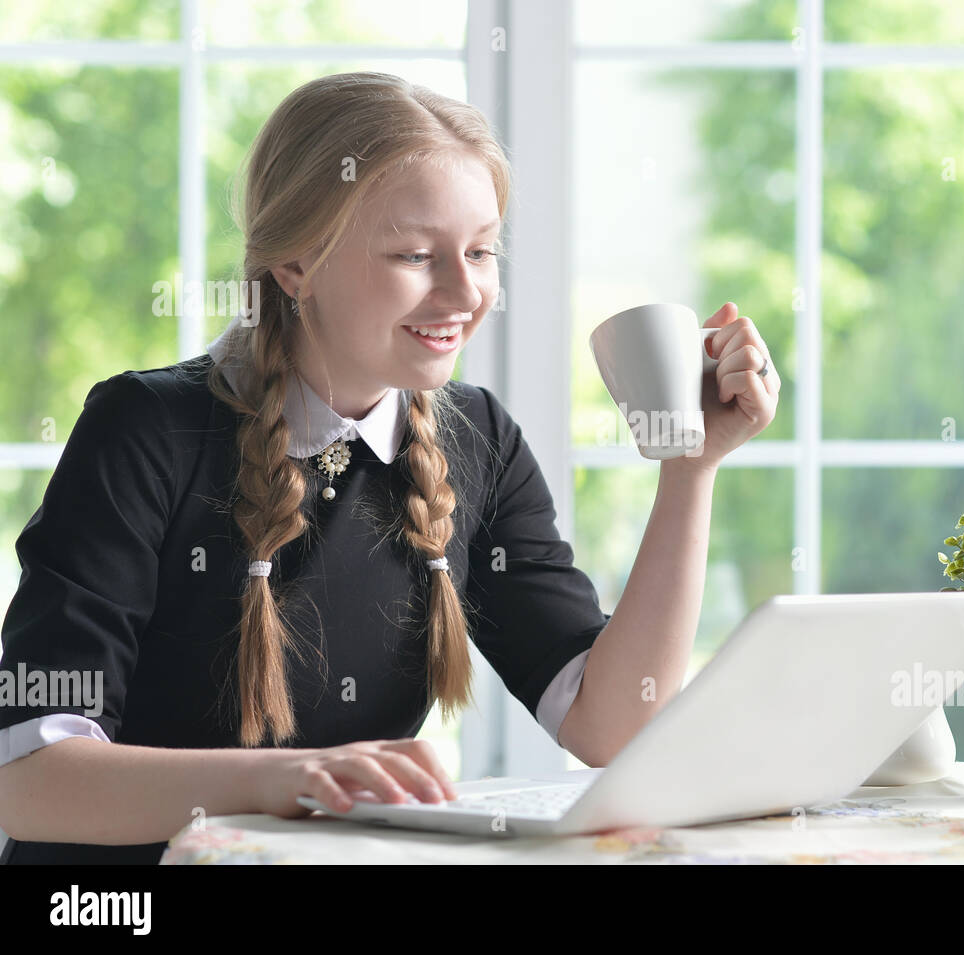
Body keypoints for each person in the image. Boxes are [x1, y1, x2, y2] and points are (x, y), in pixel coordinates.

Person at [0, 71, 779, 864]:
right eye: (414, 253)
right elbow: (30, 779)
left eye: (481, 250)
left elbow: (613, 725)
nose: (466, 290)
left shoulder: (479, 438)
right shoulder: (146, 430)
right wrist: (291, 778)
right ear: (295, 266)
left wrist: (691, 467)